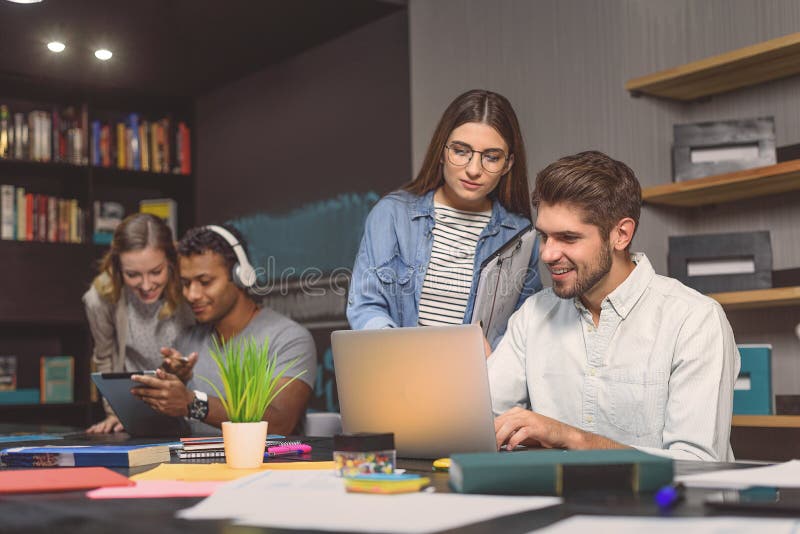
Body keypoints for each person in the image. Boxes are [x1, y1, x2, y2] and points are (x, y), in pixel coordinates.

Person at [490, 150, 740, 461]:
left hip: (662, 509)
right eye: (544, 236)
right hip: (557, 505)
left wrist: (571, 438)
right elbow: (480, 423)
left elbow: (698, 465)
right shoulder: (532, 315)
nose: (548, 254)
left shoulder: (695, 320)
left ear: (620, 234)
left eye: (568, 237)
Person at [347, 89, 541, 347]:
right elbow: (365, 306)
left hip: (478, 383)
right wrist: (401, 355)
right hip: (399, 377)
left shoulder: (520, 234)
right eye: (461, 151)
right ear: (441, 151)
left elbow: (526, 325)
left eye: (491, 157)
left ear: (507, 164)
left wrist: (498, 356)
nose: (473, 170)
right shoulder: (392, 216)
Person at [130, 225, 317, 435]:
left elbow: (279, 423)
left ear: (241, 276)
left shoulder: (288, 339)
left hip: (266, 467)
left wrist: (192, 402)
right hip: (192, 467)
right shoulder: (186, 342)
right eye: (185, 283)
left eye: (205, 282)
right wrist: (171, 385)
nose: (192, 294)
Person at [83, 213, 194, 434]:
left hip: (189, 402)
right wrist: (115, 412)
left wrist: (183, 370)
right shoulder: (100, 298)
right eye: (132, 274)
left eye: (156, 272)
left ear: (170, 262)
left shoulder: (190, 287)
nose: (146, 285)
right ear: (117, 267)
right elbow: (104, 358)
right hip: (135, 409)